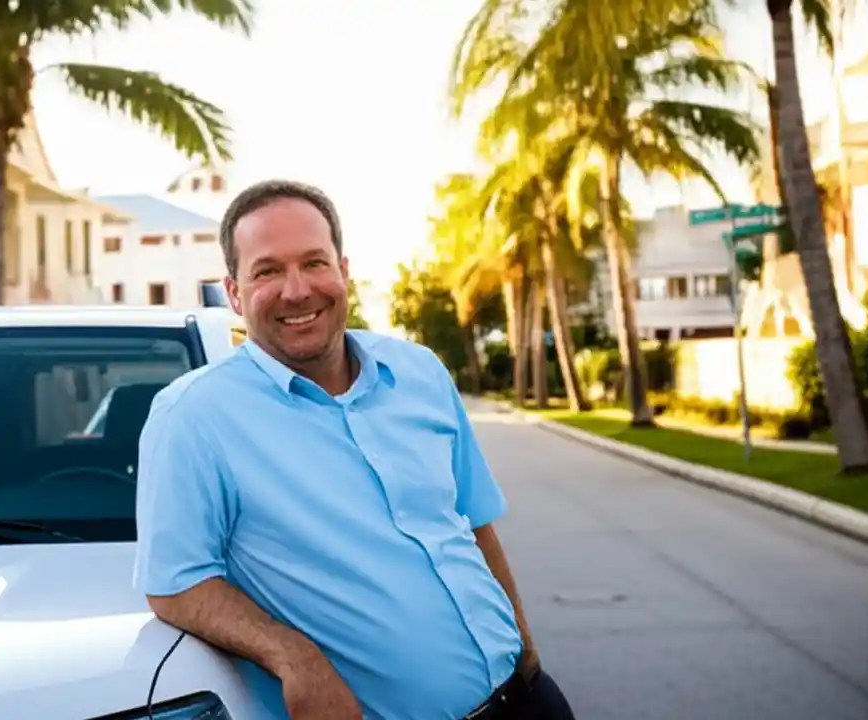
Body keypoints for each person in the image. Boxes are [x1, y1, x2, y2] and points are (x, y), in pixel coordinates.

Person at [133, 179, 575, 720]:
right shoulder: (194, 417)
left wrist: (524, 646)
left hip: (527, 698)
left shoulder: (420, 372)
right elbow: (175, 583)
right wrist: (293, 656)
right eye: (268, 271)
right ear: (234, 293)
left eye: (314, 263)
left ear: (344, 271)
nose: (297, 291)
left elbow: (474, 523)